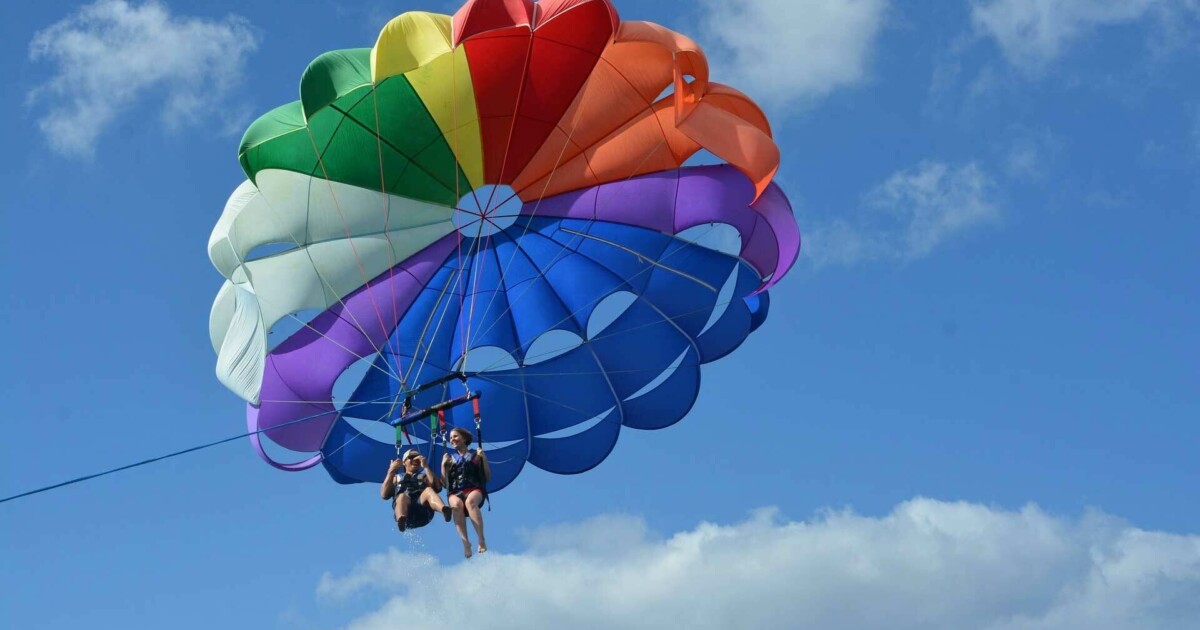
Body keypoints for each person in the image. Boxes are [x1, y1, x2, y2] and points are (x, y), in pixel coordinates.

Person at [442, 427, 490, 557]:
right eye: (451, 437)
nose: (452, 439)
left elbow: (487, 476)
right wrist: (443, 465)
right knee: (456, 505)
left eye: (455, 436)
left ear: (464, 439)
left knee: (470, 502)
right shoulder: (450, 458)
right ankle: (466, 544)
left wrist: (483, 459)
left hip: (474, 488)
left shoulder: (475, 456)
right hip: (455, 491)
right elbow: (445, 481)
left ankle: (481, 539)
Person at [381, 449, 451, 533]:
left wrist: (426, 467)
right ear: (404, 462)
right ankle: (401, 520)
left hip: (423, 511)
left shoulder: (424, 477)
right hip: (406, 513)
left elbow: (438, 488)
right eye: (411, 457)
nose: (415, 460)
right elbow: (384, 495)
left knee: (428, 490)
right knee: (402, 496)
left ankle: (444, 510)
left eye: (417, 458)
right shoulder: (396, 478)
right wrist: (391, 470)